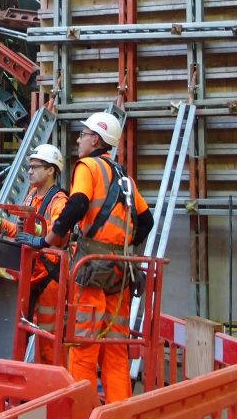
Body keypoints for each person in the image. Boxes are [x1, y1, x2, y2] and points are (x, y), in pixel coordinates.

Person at [16, 111, 152, 403]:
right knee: (115, 350)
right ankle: (118, 411)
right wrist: (124, 246)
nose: (78, 140)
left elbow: (78, 204)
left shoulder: (88, 167)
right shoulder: (124, 176)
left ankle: (82, 410)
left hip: (91, 268)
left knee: (83, 346)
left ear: (97, 140)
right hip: (122, 270)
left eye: (83, 135)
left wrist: (45, 241)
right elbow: (147, 221)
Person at [0, 143, 68, 364]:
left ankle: (52, 381)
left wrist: (34, 229)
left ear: (51, 170)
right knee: (18, 336)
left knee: (48, 342)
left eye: (35, 167)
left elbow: (59, 234)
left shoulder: (59, 201)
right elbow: (21, 233)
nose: (29, 171)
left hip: (48, 278)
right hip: (29, 275)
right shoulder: (31, 196)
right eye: (29, 167)